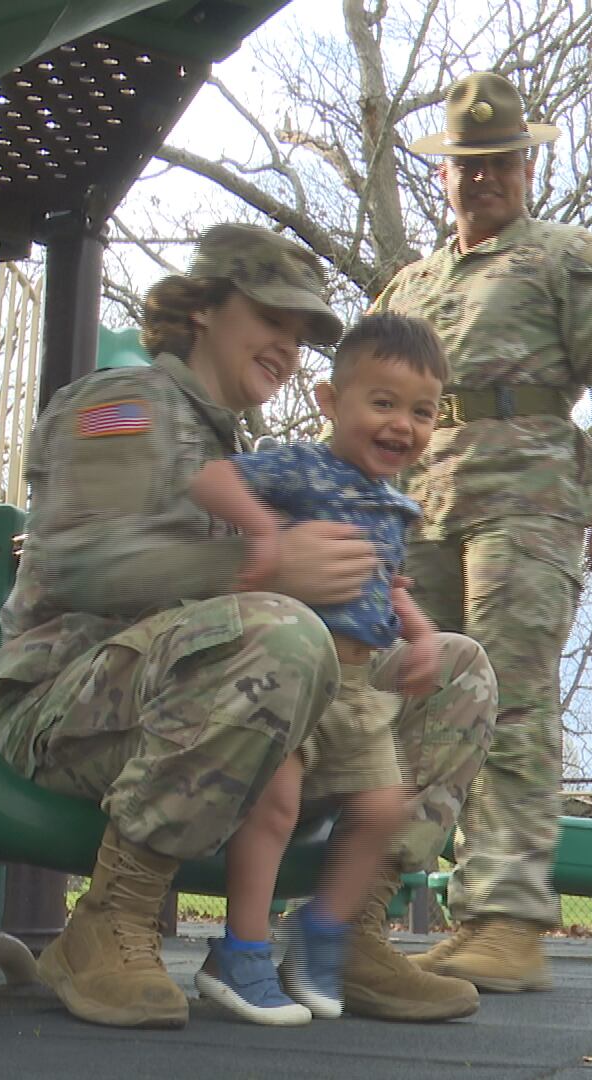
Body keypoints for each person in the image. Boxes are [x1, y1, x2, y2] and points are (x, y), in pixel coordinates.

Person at [0, 222, 496, 1030]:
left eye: (300, 333)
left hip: (215, 698)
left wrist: (392, 620)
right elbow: (82, 561)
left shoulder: (266, 458)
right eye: (270, 319)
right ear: (203, 312)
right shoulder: (121, 405)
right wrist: (267, 568)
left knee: (459, 667)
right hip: (69, 706)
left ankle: (346, 926)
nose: (288, 345)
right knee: (280, 630)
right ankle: (110, 917)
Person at [372, 73, 592, 992]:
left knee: (512, 701)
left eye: (501, 162)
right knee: (406, 697)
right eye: (469, 164)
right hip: (420, 506)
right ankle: (382, 904)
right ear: (445, 176)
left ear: (528, 167)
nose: (484, 177)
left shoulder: (571, 262)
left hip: (528, 501)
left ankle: (507, 918)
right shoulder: (410, 285)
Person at [186, 314, 446, 1020]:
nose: (402, 425)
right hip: (291, 672)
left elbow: (387, 588)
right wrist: (268, 531)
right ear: (331, 402)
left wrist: (420, 633)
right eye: (382, 403)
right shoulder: (302, 466)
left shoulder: (397, 507)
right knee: (276, 804)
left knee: (385, 808)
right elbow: (212, 477)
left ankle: (320, 929)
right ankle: (239, 950)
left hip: (357, 687)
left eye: (421, 412)